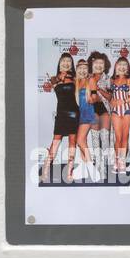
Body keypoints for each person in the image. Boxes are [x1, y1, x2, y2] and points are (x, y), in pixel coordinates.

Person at [40, 52, 79, 184]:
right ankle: (45, 170)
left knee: (72, 142)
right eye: (64, 61)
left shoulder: (74, 78)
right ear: (59, 63)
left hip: (74, 113)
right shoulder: (53, 78)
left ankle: (69, 172)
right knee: (55, 142)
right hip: (61, 113)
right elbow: (52, 82)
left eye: (69, 61)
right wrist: (59, 78)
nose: (66, 63)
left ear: (71, 64)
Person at [86, 51, 113, 180]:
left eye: (101, 63)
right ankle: (98, 166)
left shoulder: (107, 78)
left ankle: (104, 167)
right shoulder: (86, 77)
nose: (99, 65)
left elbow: (109, 97)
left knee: (105, 138)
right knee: (95, 139)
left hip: (104, 109)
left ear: (105, 65)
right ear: (91, 63)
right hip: (92, 109)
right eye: (96, 62)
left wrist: (97, 88)